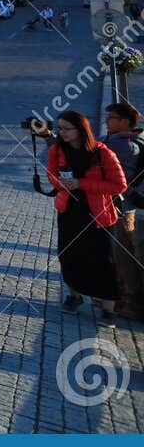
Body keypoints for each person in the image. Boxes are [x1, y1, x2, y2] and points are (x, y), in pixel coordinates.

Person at [44, 110, 128, 319]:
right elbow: (51, 175)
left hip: (97, 213)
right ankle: (74, 296)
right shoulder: (57, 151)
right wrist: (60, 183)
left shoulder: (102, 152)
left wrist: (81, 184)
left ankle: (108, 308)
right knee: (69, 256)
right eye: (59, 128)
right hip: (69, 211)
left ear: (81, 129)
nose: (61, 132)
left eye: (66, 128)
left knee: (103, 260)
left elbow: (119, 185)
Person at [101, 101, 144, 319]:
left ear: (125, 122)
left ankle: (129, 304)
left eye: (111, 118)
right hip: (128, 207)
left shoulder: (121, 144)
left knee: (122, 257)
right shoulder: (136, 138)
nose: (107, 121)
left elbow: (122, 179)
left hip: (120, 207)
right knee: (125, 254)